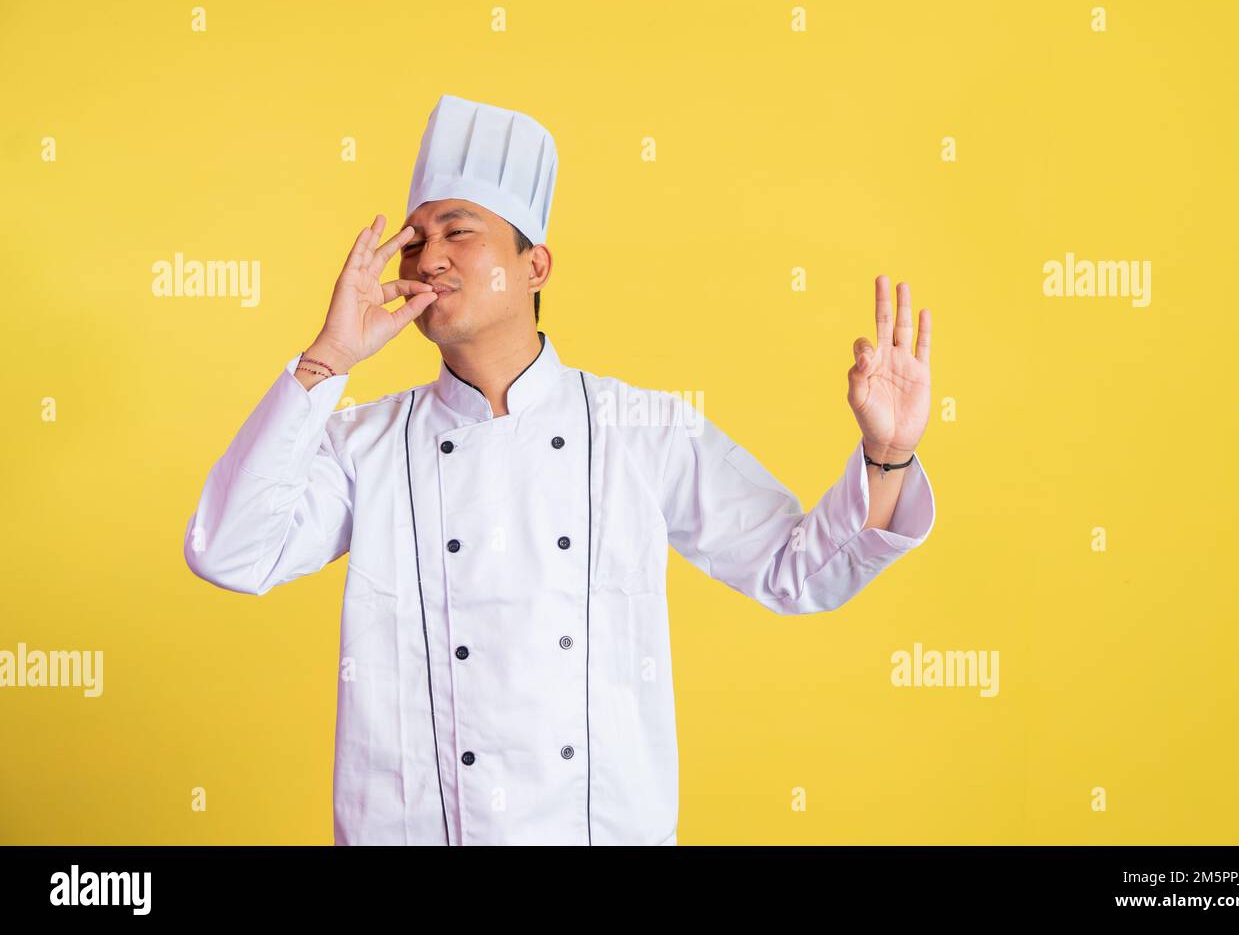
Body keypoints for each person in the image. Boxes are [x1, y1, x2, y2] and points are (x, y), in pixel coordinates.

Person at [183, 94, 938, 846]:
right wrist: (329, 360)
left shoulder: (643, 429)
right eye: (414, 242)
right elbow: (230, 552)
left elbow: (796, 573)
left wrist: (887, 454)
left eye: (459, 232)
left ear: (534, 264)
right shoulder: (364, 445)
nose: (428, 259)